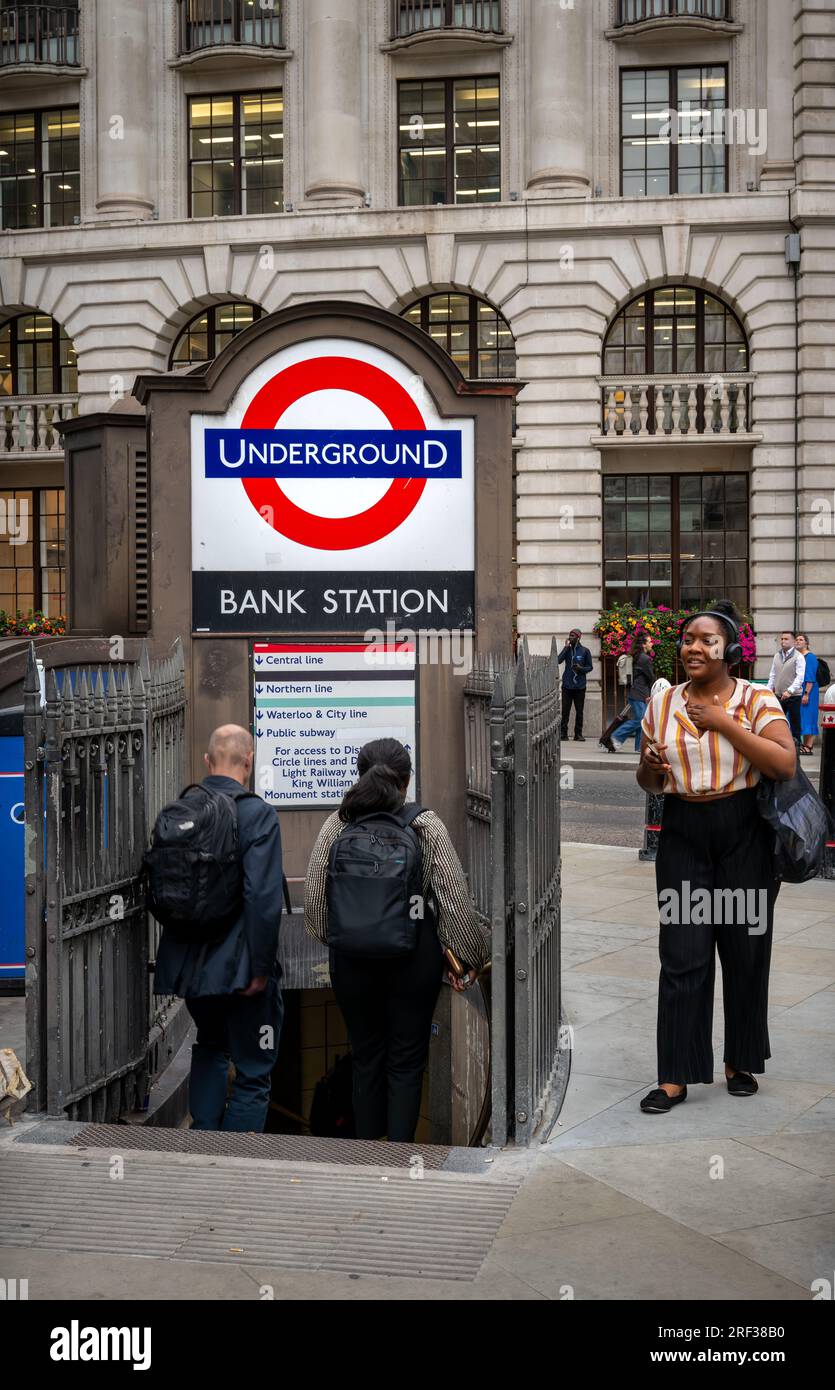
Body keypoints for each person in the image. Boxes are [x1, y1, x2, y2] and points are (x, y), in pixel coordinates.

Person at [636, 601, 796, 1115]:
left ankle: (740, 1061)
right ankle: (676, 1073)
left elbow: (784, 762)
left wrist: (724, 723)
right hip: (684, 830)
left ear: (730, 650)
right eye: (687, 639)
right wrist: (647, 765)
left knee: (745, 951)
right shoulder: (661, 704)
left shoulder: (756, 697)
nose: (694, 647)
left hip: (743, 830)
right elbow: (651, 784)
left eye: (706, 640)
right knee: (682, 951)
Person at [304, 737, 489, 1143]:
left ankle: (369, 1157)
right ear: (407, 781)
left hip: (351, 965)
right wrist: (472, 956)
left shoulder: (337, 825)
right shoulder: (425, 825)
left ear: (360, 774)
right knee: (405, 1062)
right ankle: (401, 1158)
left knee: (366, 1057)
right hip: (412, 964)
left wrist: (348, 936)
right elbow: (454, 902)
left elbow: (316, 914)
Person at [153, 725, 284, 1132]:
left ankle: (202, 1144)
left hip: (192, 972)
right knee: (253, 1070)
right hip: (243, 971)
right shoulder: (258, 814)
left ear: (208, 762)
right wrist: (260, 969)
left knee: (209, 1045)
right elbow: (262, 899)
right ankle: (236, 1163)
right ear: (249, 762)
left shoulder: (183, 810)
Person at [603, 632, 654, 753]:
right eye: (649, 641)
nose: (651, 643)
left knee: (642, 720)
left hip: (636, 692)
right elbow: (650, 677)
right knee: (641, 720)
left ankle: (639, 747)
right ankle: (616, 736)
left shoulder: (636, 656)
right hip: (639, 693)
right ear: (643, 645)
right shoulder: (644, 659)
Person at [766, 630, 806, 748]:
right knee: (778, 722)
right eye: (782, 639)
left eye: (786, 639)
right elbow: (772, 675)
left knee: (794, 724)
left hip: (793, 697)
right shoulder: (777, 655)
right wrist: (768, 691)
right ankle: (779, 746)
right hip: (778, 696)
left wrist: (790, 691)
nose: (783, 641)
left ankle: (796, 748)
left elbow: (800, 677)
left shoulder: (799, 657)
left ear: (794, 642)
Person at [558, 629, 594, 743]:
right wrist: (565, 647)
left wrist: (581, 669)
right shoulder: (567, 650)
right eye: (570, 635)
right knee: (565, 711)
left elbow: (590, 667)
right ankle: (563, 733)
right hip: (567, 686)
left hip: (580, 687)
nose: (570, 637)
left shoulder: (585, 651)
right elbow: (558, 660)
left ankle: (578, 734)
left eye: (573, 636)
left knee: (579, 711)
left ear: (578, 637)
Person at [795, 632, 819, 756]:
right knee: (803, 717)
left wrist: (806, 693)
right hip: (801, 690)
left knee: (809, 717)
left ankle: (808, 746)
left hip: (809, 690)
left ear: (806, 643)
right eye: (797, 640)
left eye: (801, 639)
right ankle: (804, 745)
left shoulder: (810, 657)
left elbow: (810, 677)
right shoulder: (799, 656)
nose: (798, 641)